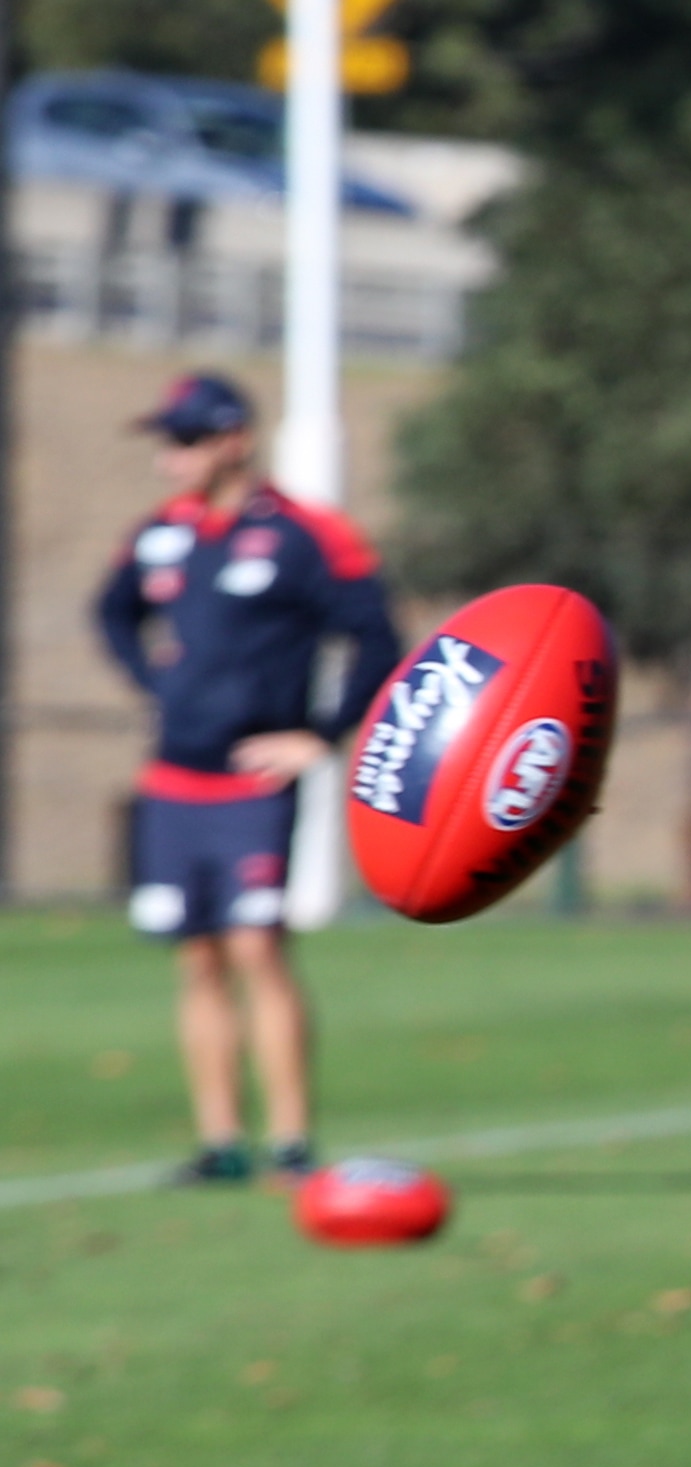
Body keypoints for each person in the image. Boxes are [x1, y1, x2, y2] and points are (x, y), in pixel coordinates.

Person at [93, 371, 400, 1187]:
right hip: (174, 781)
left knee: (257, 948)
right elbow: (112, 612)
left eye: (186, 441)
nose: (170, 459)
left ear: (235, 440)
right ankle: (221, 1141)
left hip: (252, 784)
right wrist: (152, 677)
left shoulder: (306, 535)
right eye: (166, 443)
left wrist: (321, 737)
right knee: (197, 960)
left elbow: (376, 639)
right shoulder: (163, 535)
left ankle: (293, 1144)